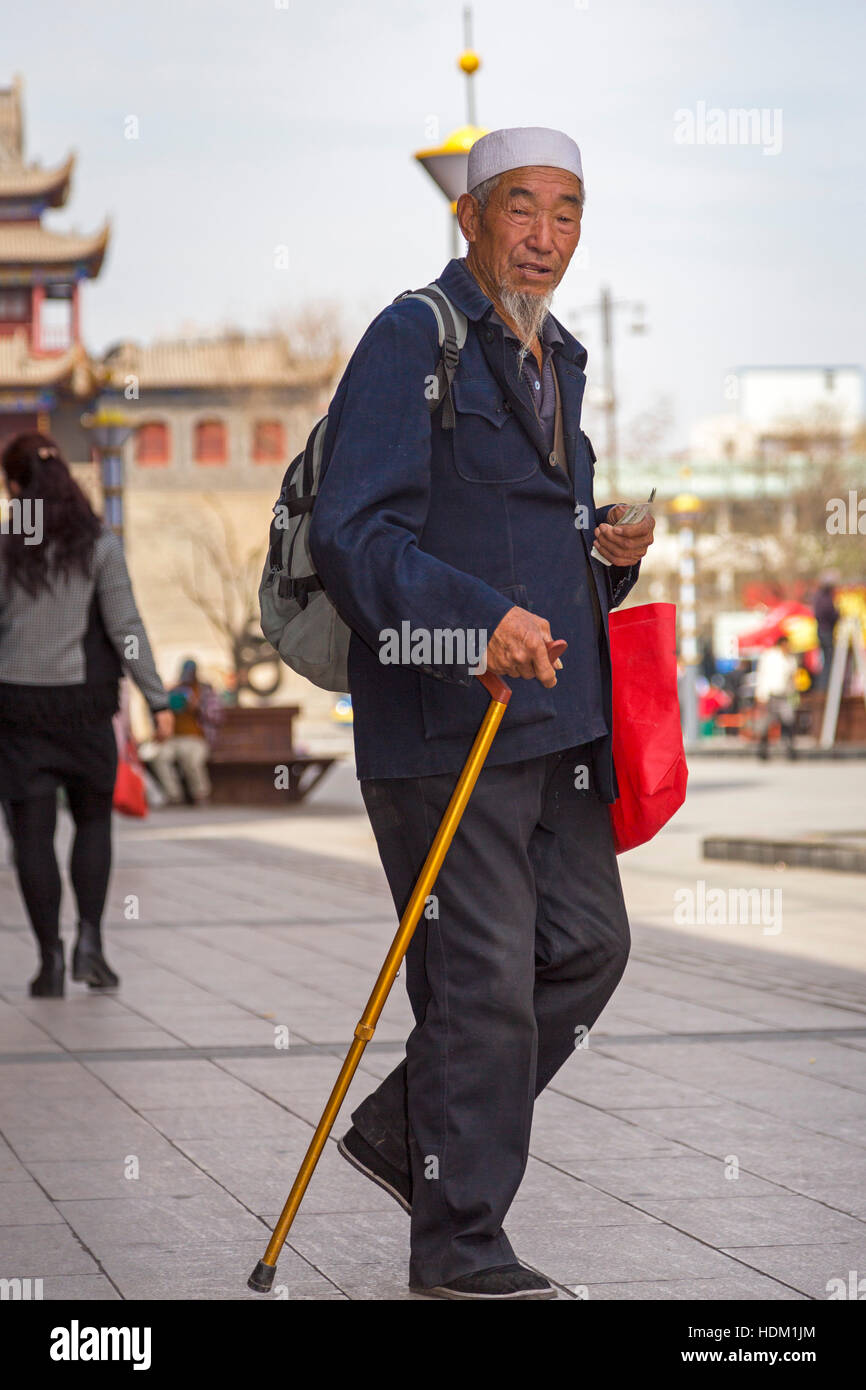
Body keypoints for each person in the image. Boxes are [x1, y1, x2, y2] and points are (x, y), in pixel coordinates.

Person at [309, 127, 655, 1300]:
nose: (546, 236)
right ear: (471, 219)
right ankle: (458, 1246)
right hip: (440, 727)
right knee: (479, 981)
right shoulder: (414, 335)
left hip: (555, 733)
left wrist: (603, 553)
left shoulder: (557, 356)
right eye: (523, 209)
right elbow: (352, 537)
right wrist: (476, 621)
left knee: (590, 948)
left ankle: (410, 1128)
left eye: (567, 212)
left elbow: (530, 550)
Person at [0, 432, 173, 997]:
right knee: (93, 822)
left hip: (18, 708)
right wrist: (157, 697)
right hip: (85, 707)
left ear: (16, 484)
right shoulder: (99, 543)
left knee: (31, 833)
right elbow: (127, 629)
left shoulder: (7, 543)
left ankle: (48, 962)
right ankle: (90, 945)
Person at [150, 658, 222, 805]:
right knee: (160, 758)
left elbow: (216, 717)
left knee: (192, 760)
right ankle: (174, 795)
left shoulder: (205, 691)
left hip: (196, 738)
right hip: (174, 738)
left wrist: (197, 707)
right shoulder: (174, 690)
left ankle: (200, 794)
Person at [754, 634, 798, 759]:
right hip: (771, 695)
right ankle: (763, 749)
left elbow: (792, 680)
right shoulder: (770, 657)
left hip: (785, 695)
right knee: (766, 723)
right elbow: (762, 676)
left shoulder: (791, 659)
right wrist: (760, 694)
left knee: (788, 720)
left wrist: (794, 695)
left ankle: (789, 748)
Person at [813, 579, 839, 691]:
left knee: (825, 660)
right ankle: (824, 686)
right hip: (826, 631)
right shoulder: (826, 599)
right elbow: (831, 614)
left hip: (822, 630)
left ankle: (823, 686)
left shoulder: (818, 598)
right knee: (828, 660)